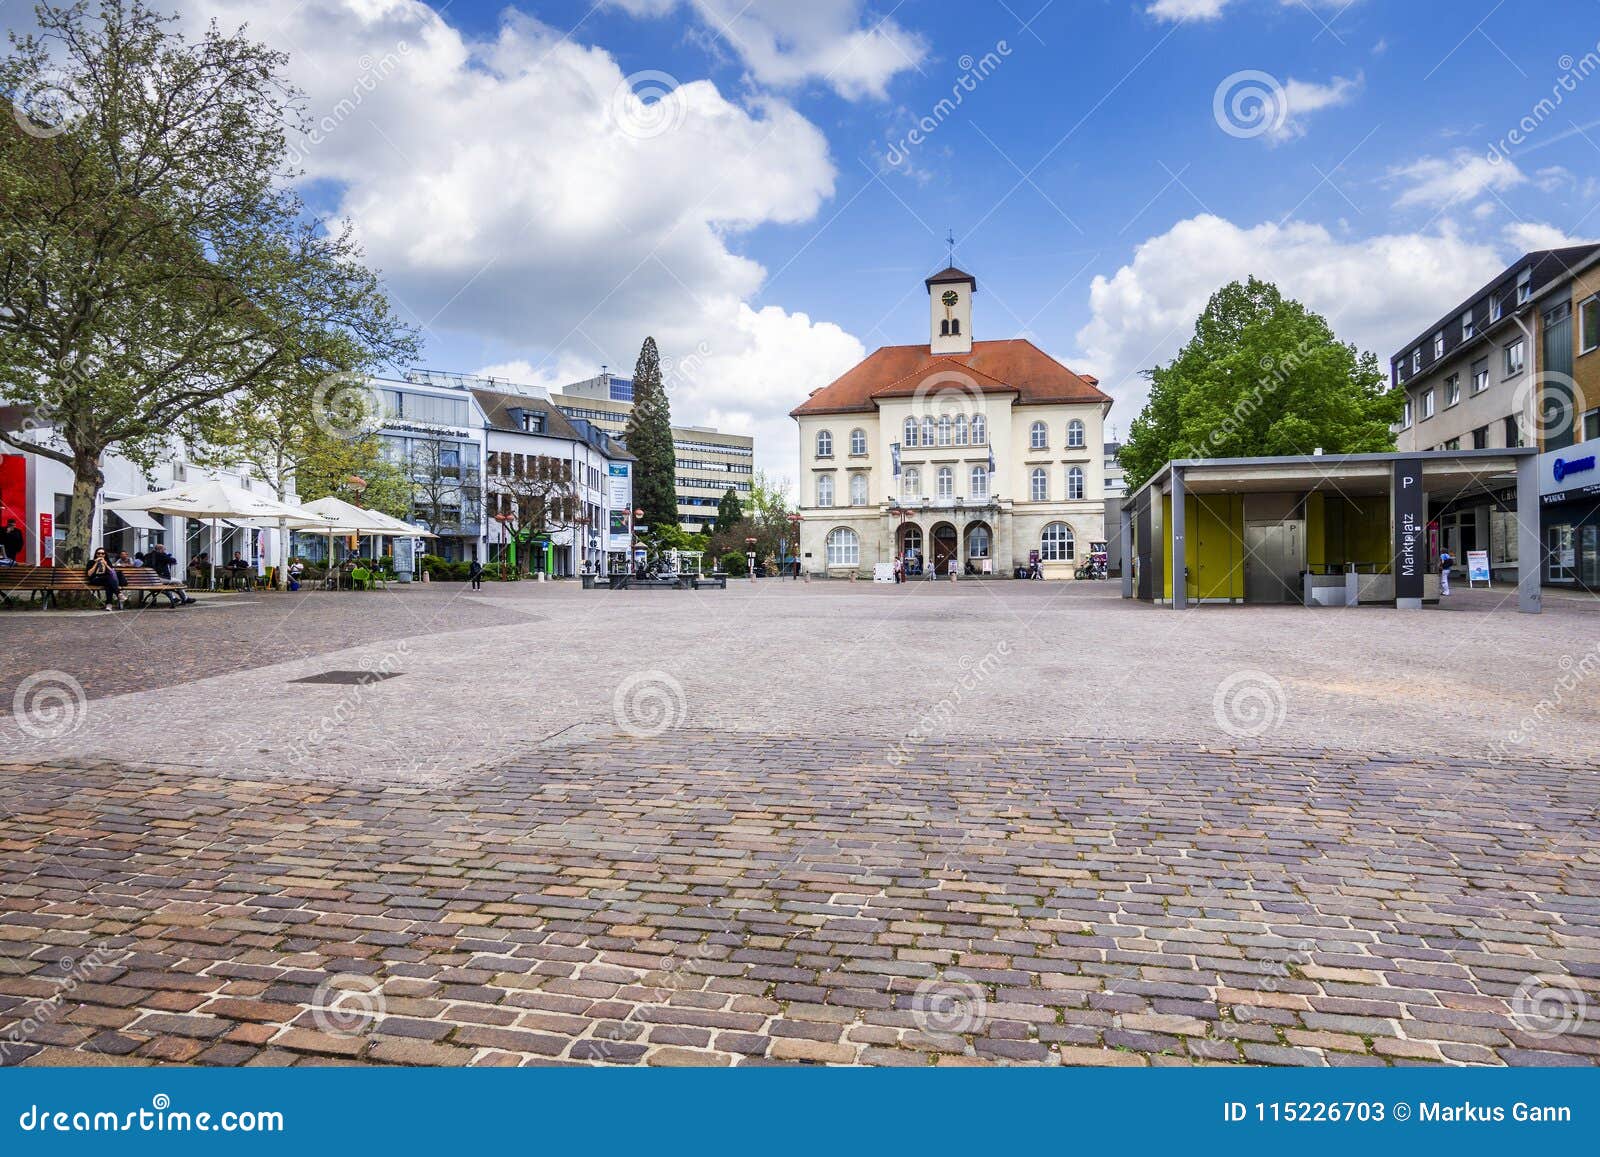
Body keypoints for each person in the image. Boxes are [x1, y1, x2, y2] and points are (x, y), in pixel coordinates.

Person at [143, 542, 193, 607]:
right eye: (164, 549)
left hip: (149, 580)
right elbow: (173, 561)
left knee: (166, 585)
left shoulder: (147, 555)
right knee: (178, 581)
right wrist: (166, 555)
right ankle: (185, 598)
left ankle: (174, 598)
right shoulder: (161, 555)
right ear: (160, 550)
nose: (165, 551)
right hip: (160, 578)